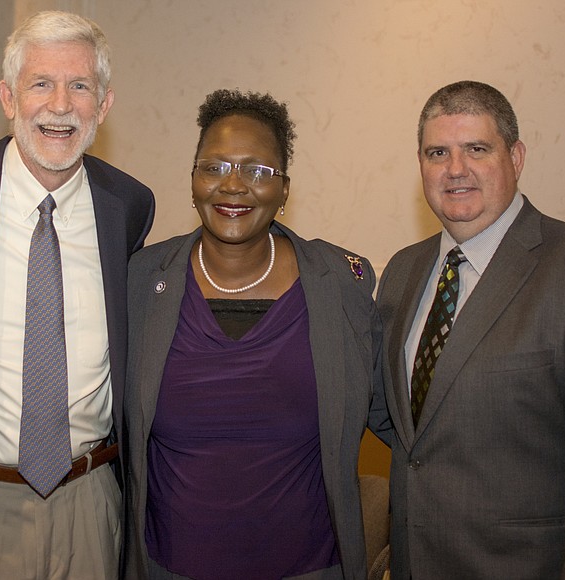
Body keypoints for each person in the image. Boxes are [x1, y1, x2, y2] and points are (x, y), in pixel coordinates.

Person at [0, 10, 155, 579]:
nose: (60, 105)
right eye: (41, 83)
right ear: (7, 96)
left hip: (94, 498)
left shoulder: (128, 206)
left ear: (104, 104)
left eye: (80, 86)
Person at [123, 89, 390, 580]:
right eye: (215, 167)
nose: (234, 185)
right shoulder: (141, 281)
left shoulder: (341, 284)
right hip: (169, 567)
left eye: (258, 171)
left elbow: (391, 412)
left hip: (310, 567)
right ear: (193, 180)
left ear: (285, 189)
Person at [377, 80, 565, 579]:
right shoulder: (401, 271)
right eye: (437, 152)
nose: (455, 169)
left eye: (476, 149)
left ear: (516, 157)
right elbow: (406, 426)